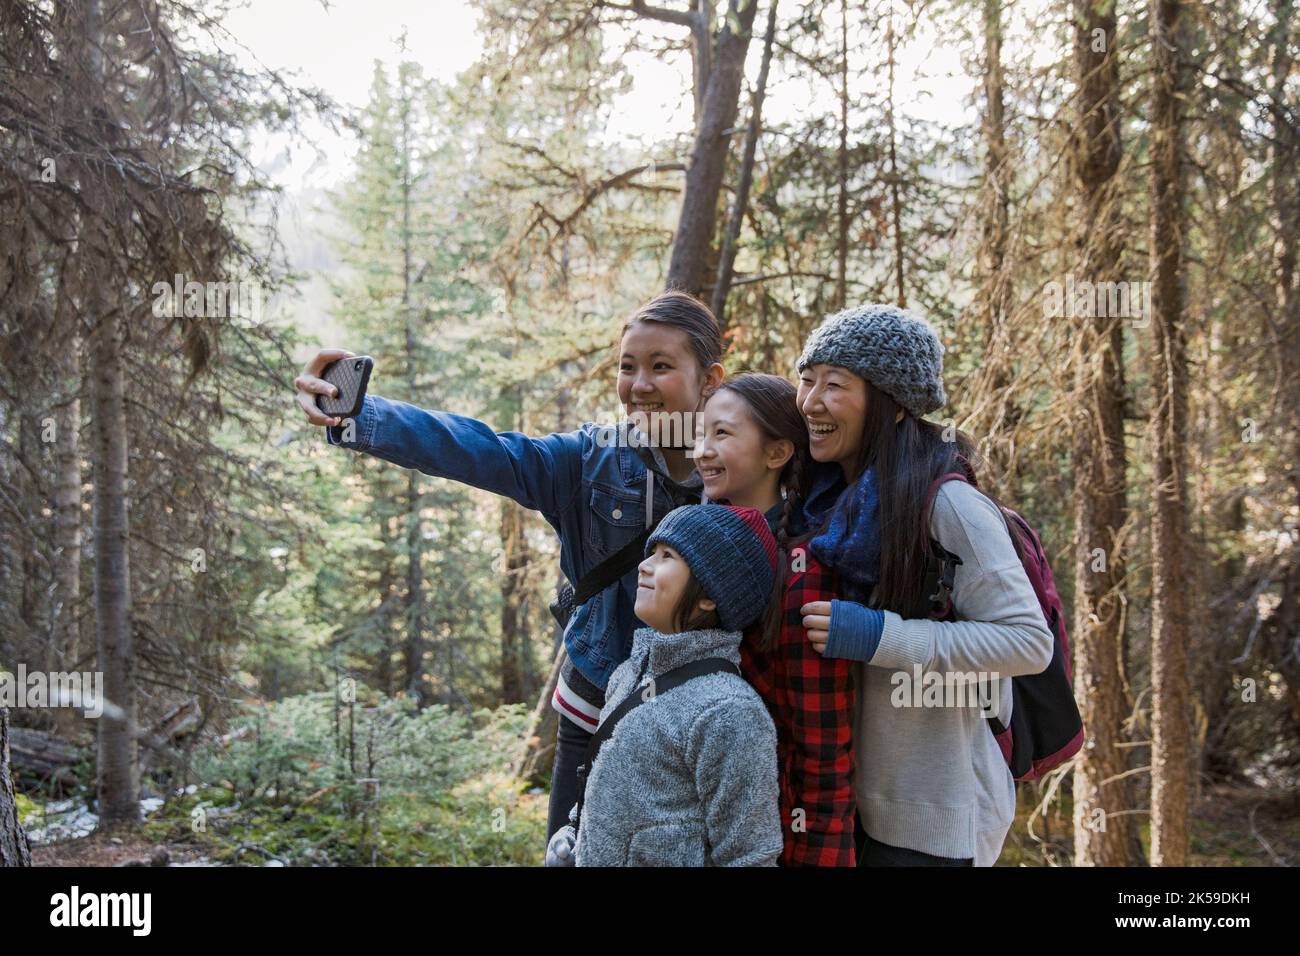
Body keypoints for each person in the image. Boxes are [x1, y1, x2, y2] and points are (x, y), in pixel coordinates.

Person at [291, 291, 724, 844]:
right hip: (594, 715)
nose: (638, 385)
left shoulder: (745, 462)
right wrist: (361, 414)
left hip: (696, 726)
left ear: (710, 378)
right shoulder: (589, 461)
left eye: (660, 366)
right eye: (626, 366)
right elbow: (482, 450)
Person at [794, 303, 1054, 867]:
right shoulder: (824, 500)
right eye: (807, 380)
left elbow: (1028, 642)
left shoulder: (949, 503)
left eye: (834, 385)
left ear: (891, 406)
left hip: (933, 820)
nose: (811, 402)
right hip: (844, 809)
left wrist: (879, 637)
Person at [548, 504, 784, 867]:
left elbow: (751, 856)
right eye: (651, 553)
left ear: (709, 595)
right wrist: (572, 833)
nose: (644, 565)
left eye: (667, 556)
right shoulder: (627, 675)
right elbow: (606, 787)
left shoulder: (728, 711)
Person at [693, 373, 857, 865]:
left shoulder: (803, 570)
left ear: (777, 453)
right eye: (702, 434)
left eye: (722, 434)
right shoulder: (694, 550)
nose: (702, 451)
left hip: (775, 833)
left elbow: (823, 745)